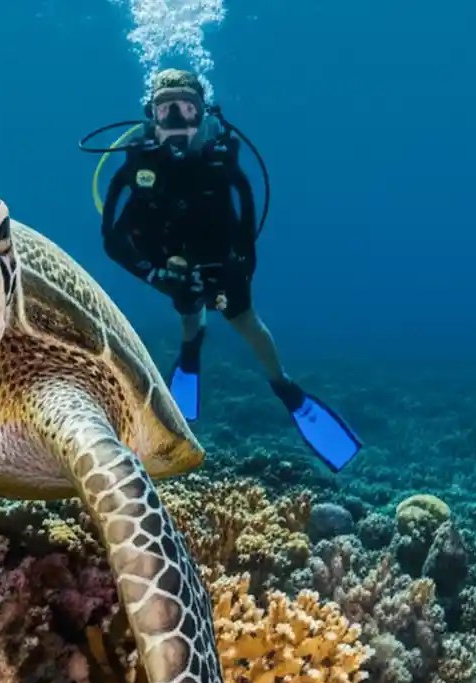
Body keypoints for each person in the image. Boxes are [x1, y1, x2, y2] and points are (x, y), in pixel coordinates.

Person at [94, 68, 362, 472]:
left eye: (187, 110)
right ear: (151, 115)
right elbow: (113, 241)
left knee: (246, 321)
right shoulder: (138, 165)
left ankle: (285, 387)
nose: (177, 123)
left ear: (204, 114)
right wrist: (155, 275)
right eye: (166, 112)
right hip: (169, 262)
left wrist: (236, 274)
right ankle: (190, 349)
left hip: (220, 259)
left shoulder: (220, 163)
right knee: (188, 314)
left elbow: (247, 232)